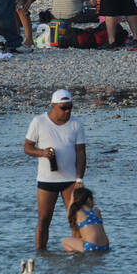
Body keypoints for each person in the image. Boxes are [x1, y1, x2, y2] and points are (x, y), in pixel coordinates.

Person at [23, 89, 87, 250]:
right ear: (53, 106)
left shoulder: (76, 123)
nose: (67, 111)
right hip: (47, 180)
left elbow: (81, 152)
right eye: (63, 107)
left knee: (75, 219)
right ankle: (41, 253)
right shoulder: (39, 122)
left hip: (70, 181)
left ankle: (77, 255)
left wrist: (80, 178)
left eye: (70, 107)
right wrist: (42, 153)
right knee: (44, 219)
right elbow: (27, 147)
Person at [62, 186, 109, 254]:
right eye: (92, 198)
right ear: (88, 199)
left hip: (91, 246)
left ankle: (77, 255)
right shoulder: (97, 211)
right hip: (105, 246)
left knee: (65, 242)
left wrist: (72, 196)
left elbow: (68, 215)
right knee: (81, 239)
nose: (94, 201)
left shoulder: (78, 212)